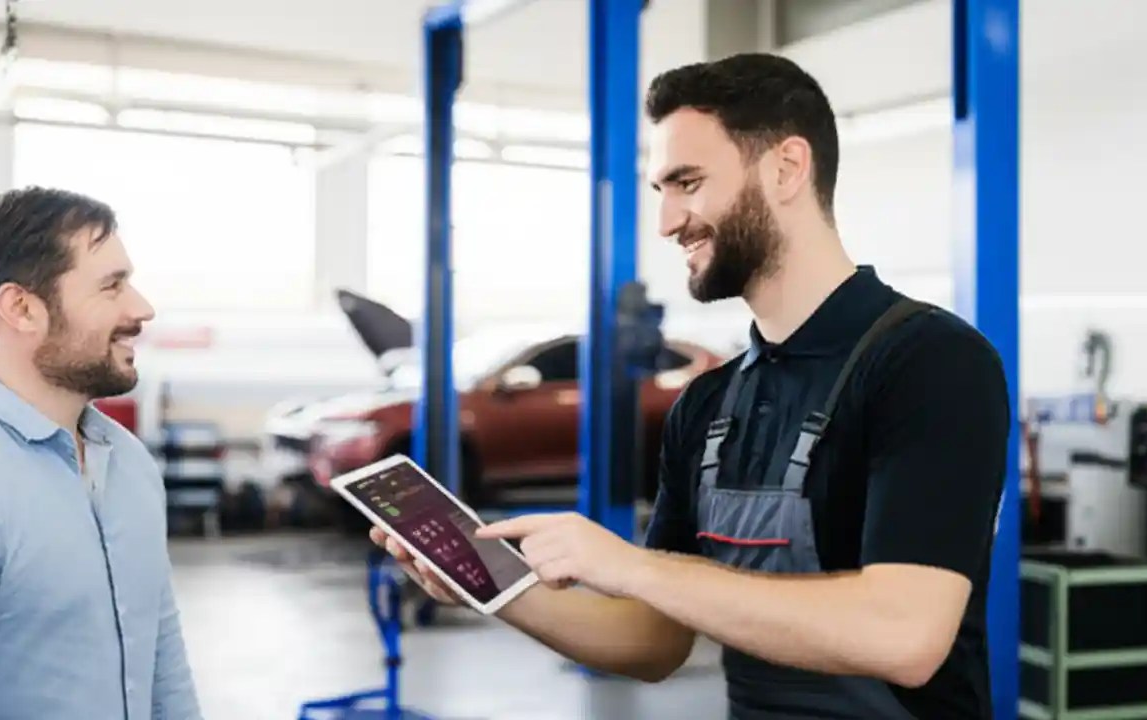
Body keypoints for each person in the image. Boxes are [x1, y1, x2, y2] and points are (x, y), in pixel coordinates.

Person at [371, 52, 1009, 719]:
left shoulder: (931, 363)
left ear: (787, 169)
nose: (667, 222)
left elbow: (903, 635)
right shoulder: (708, 405)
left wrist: (630, 566)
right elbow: (653, 641)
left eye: (689, 183)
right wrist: (494, 584)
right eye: (661, 192)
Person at [0, 187, 202, 719]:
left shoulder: (127, 463)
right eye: (111, 286)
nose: (141, 308)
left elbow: (164, 671)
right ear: (22, 309)